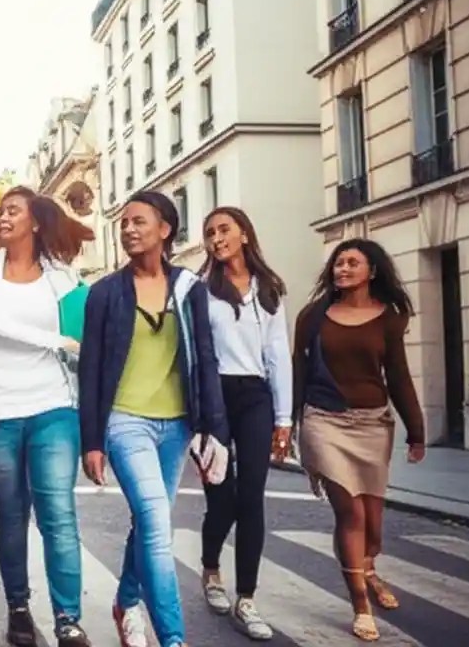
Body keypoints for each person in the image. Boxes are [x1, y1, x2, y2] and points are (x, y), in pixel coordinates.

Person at [0, 186, 94, 647]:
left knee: (59, 516)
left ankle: (68, 617)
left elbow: (83, 339)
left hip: (53, 407)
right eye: (0, 211)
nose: (3, 217)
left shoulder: (63, 280)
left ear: (36, 222)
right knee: (11, 516)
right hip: (1, 412)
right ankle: (19, 608)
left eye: (14, 210)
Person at [78, 190, 228, 647]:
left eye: (138, 221)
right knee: (157, 527)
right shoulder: (104, 292)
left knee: (149, 522)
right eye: (123, 223)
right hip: (125, 422)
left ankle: (127, 600)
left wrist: (214, 430)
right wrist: (92, 441)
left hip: (176, 426)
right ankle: (174, 638)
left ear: (165, 229)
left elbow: (205, 358)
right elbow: (91, 369)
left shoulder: (189, 289)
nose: (128, 229)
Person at [292, 238, 425, 642]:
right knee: (349, 512)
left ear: (373, 271)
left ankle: (368, 568)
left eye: (352, 262)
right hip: (324, 420)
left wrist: (416, 432)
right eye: (338, 262)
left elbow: (398, 377)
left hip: (373, 424)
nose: (343, 268)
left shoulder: (390, 317)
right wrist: (286, 426)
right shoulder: (313, 316)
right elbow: (299, 372)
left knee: (374, 524)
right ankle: (360, 604)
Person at [195, 206, 291, 640]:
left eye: (224, 230)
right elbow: (196, 354)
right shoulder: (200, 290)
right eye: (210, 233)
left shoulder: (268, 290)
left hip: (255, 396)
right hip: (214, 398)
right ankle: (211, 567)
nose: (217, 238)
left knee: (251, 497)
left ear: (245, 235)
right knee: (222, 498)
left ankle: (246, 599)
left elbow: (278, 356)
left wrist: (284, 418)